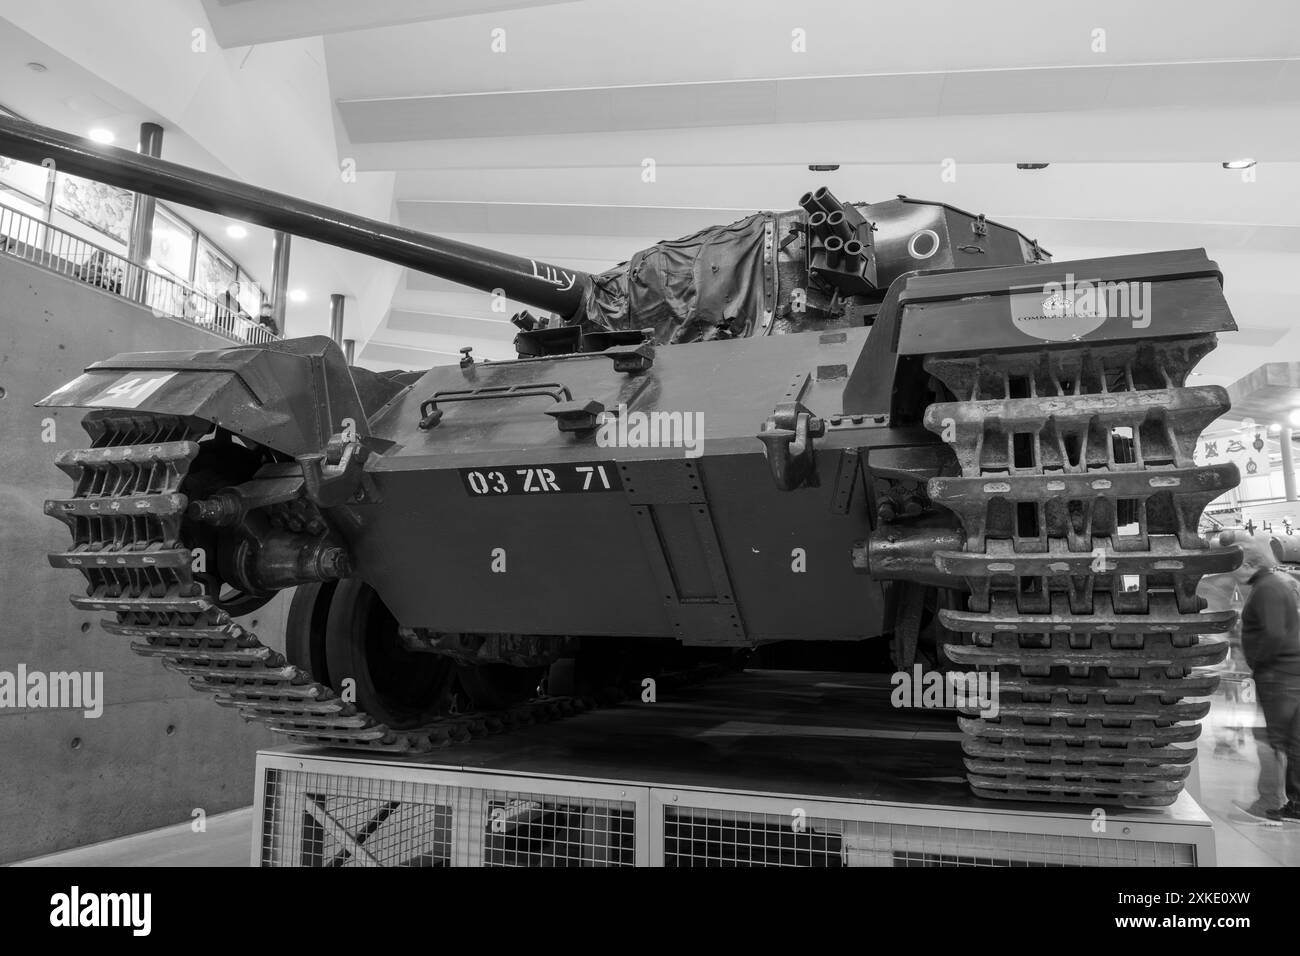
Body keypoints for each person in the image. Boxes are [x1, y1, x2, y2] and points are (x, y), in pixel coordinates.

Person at [1231, 535, 1300, 823]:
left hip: (1278, 675)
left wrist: (1257, 661)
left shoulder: (1266, 589)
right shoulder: (1278, 584)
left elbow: (1273, 633)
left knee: (1275, 739)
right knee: (1292, 740)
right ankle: (1295, 804)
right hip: (1288, 672)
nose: (1234, 574)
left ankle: (1271, 801)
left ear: (1248, 563)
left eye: (1235, 566)